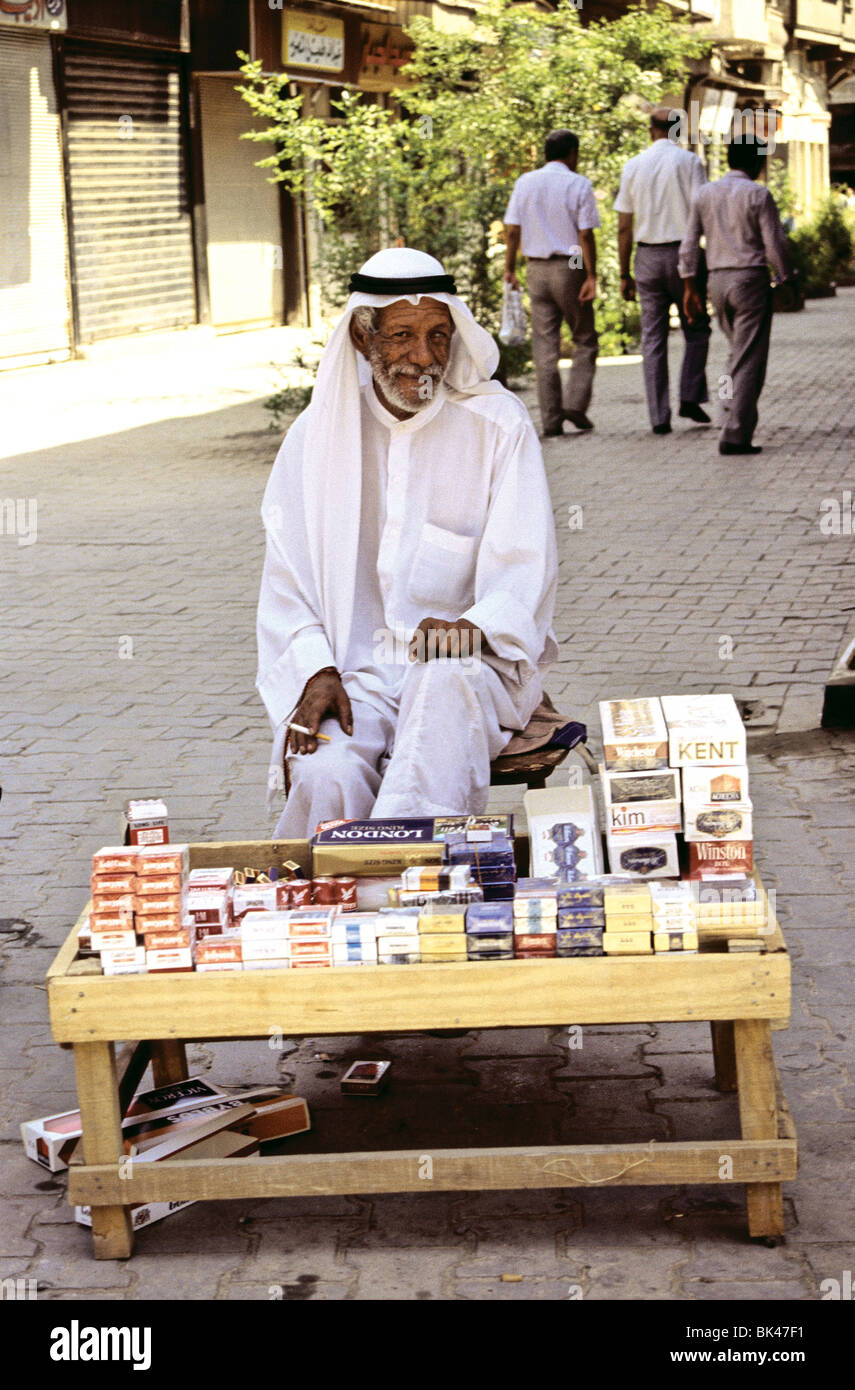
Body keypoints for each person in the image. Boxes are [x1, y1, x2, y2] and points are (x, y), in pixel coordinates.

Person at [256, 247, 558, 839]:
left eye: (439, 335)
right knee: (326, 775)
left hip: (474, 672)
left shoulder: (498, 426)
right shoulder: (314, 438)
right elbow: (285, 579)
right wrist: (315, 669)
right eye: (402, 335)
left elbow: (525, 568)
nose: (424, 357)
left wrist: (472, 626)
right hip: (359, 675)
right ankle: (325, 912)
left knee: (440, 687)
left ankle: (406, 894)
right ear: (363, 339)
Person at [679, 139, 796, 456]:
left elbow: (689, 244)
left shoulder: (705, 193)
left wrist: (690, 286)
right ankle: (735, 434)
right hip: (749, 280)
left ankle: (726, 414)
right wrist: (786, 279)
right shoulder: (758, 194)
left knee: (735, 354)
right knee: (749, 360)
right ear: (758, 164)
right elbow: (774, 243)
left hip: (717, 281)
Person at [615, 105, 711, 436]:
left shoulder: (633, 165)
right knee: (696, 327)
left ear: (650, 130)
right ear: (677, 131)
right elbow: (702, 213)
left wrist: (624, 272)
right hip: (684, 255)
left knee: (653, 339)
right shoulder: (690, 162)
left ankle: (659, 416)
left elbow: (624, 225)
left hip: (646, 258)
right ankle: (689, 396)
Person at [503, 129, 600, 437]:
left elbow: (512, 229)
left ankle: (550, 420)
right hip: (569, 264)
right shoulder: (578, 183)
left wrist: (509, 268)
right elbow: (585, 234)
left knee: (545, 346)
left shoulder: (525, 182)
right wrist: (591, 275)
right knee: (585, 337)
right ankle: (574, 403)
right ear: (572, 153)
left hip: (535, 268)